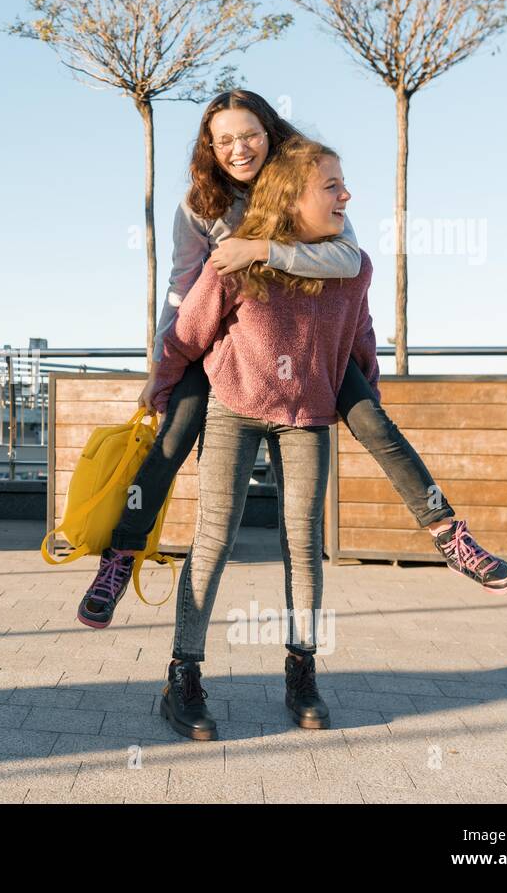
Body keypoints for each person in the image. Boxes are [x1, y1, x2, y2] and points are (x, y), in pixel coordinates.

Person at [76, 90, 507, 632]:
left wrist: (259, 250)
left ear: (270, 130)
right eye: (223, 141)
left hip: (313, 347)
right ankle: (120, 556)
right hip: (224, 339)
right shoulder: (200, 206)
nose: (238, 149)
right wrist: (161, 365)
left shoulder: (305, 179)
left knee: (376, 424)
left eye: (249, 135)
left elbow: (346, 259)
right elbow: (183, 286)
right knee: (173, 438)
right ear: (208, 148)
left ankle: (450, 536)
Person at [148, 136, 372, 739]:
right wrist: (161, 387)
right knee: (213, 539)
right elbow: (187, 333)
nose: (346, 194)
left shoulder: (349, 264)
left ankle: (302, 671)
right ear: (292, 196)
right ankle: (183, 678)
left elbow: (359, 334)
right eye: (332, 185)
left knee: (303, 542)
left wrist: (362, 394)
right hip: (233, 406)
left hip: (307, 416)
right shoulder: (238, 261)